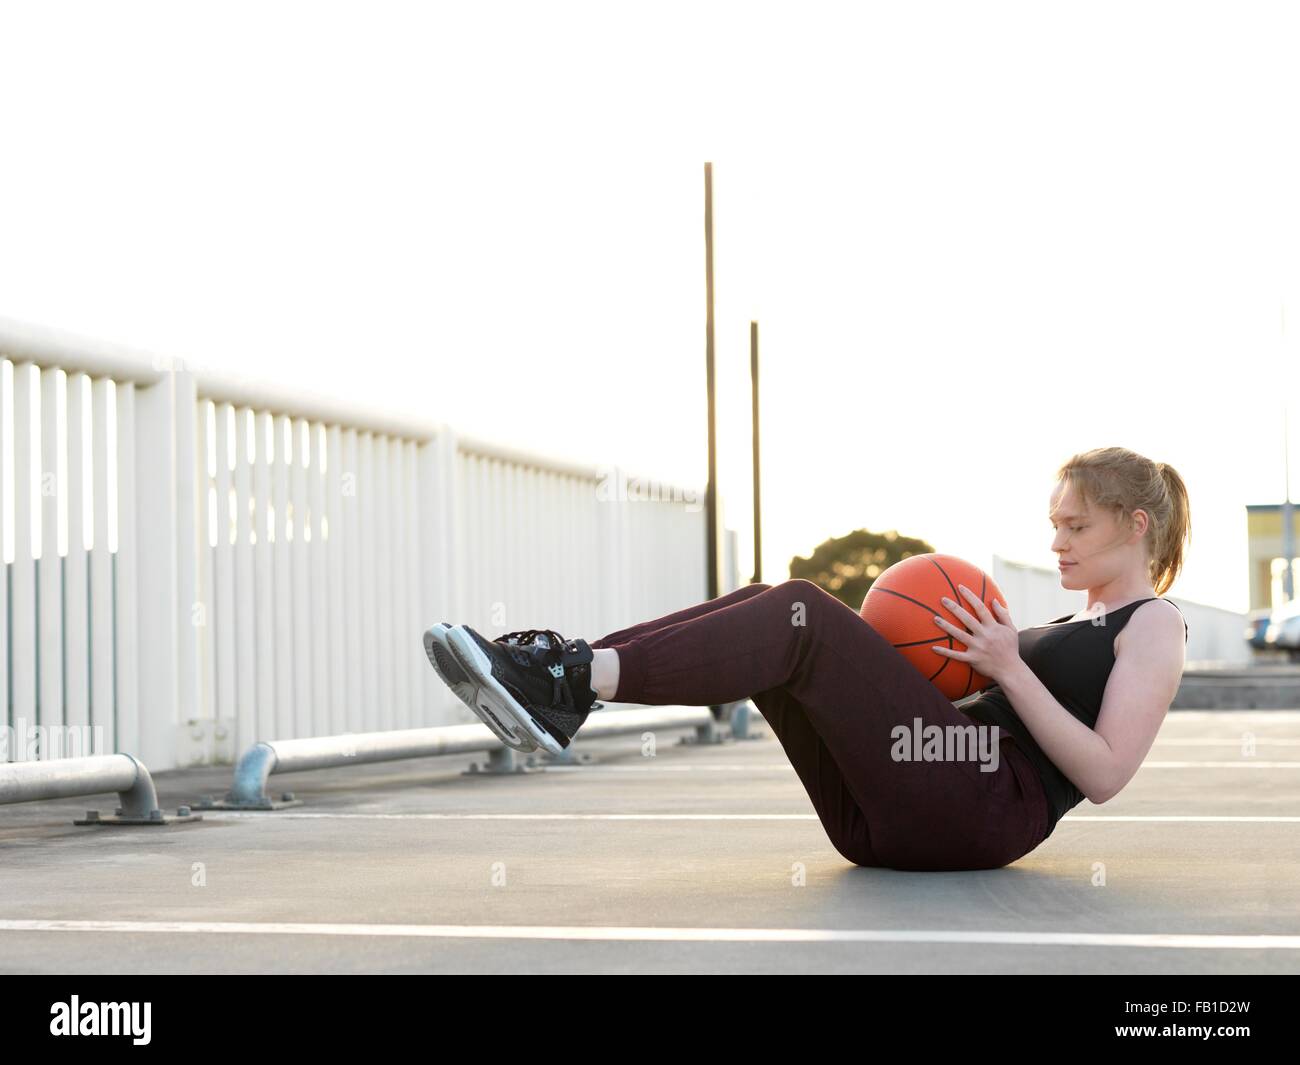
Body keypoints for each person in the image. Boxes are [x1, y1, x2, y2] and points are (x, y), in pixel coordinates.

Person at [425, 446, 1191, 872]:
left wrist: (1010, 666)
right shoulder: (1075, 615)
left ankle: (567, 680)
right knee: (775, 610)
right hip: (885, 824)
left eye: (1075, 526)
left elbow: (1104, 773)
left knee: (801, 612)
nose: (1056, 541)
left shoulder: (1154, 624)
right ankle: (571, 675)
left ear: (1133, 525)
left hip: (983, 809)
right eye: (1053, 524)